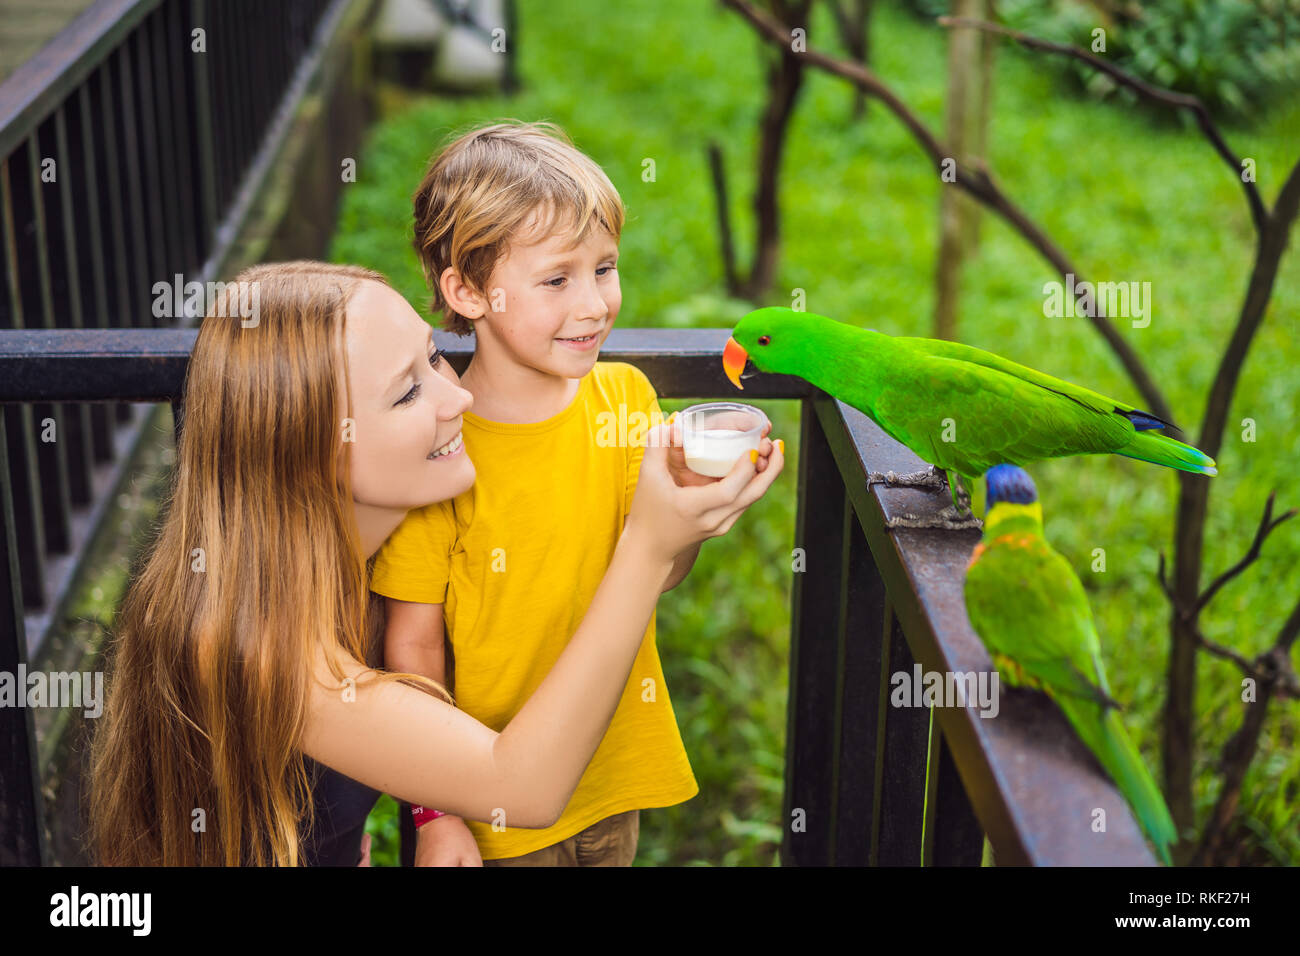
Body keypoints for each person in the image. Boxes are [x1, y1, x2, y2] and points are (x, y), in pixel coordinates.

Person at [86, 260, 783, 866]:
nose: (460, 396)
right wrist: (647, 545)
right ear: (315, 453)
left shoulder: (349, 572)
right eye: (409, 391)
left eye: (433, 359)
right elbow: (522, 789)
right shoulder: (261, 646)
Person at [372, 120, 774, 866]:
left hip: (612, 777)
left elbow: (654, 575)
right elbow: (414, 646)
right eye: (558, 279)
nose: (593, 305)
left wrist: (686, 515)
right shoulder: (437, 448)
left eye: (605, 269)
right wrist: (434, 813)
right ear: (466, 290)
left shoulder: (625, 398)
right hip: (487, 809)